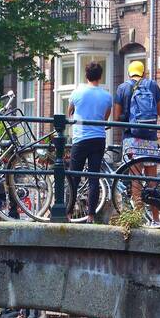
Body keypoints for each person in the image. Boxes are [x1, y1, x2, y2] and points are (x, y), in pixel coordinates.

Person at [113, 60, 160, 217]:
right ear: (143, 73)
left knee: (135, 179)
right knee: (152, 180)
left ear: (130, 73)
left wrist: (127, 116)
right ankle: (156, 218)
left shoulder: (122, 88)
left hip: (132, 138)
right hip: (150, 136)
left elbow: (116, 117)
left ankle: (138, 216)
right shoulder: (153, 85)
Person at [66, 61, 114, 221]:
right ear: (100, 77)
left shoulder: (77, 92)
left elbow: (69, 114)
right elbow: (105, 118)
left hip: (80, 139)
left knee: (74, 176)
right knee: (94, 177)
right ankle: (91, 215)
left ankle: (68, 212)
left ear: (86, 75)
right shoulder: (107, 96)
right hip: (98, 139)